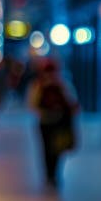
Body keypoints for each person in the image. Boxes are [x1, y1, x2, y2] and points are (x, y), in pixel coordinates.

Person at [27, 59, 78, 187]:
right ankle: (51, 174)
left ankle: (51, 174)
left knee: (52, 149)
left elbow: (31, 105)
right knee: (51, 149)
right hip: (51, 121)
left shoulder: (44, 84)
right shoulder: (59, 84)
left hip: (51, 122)